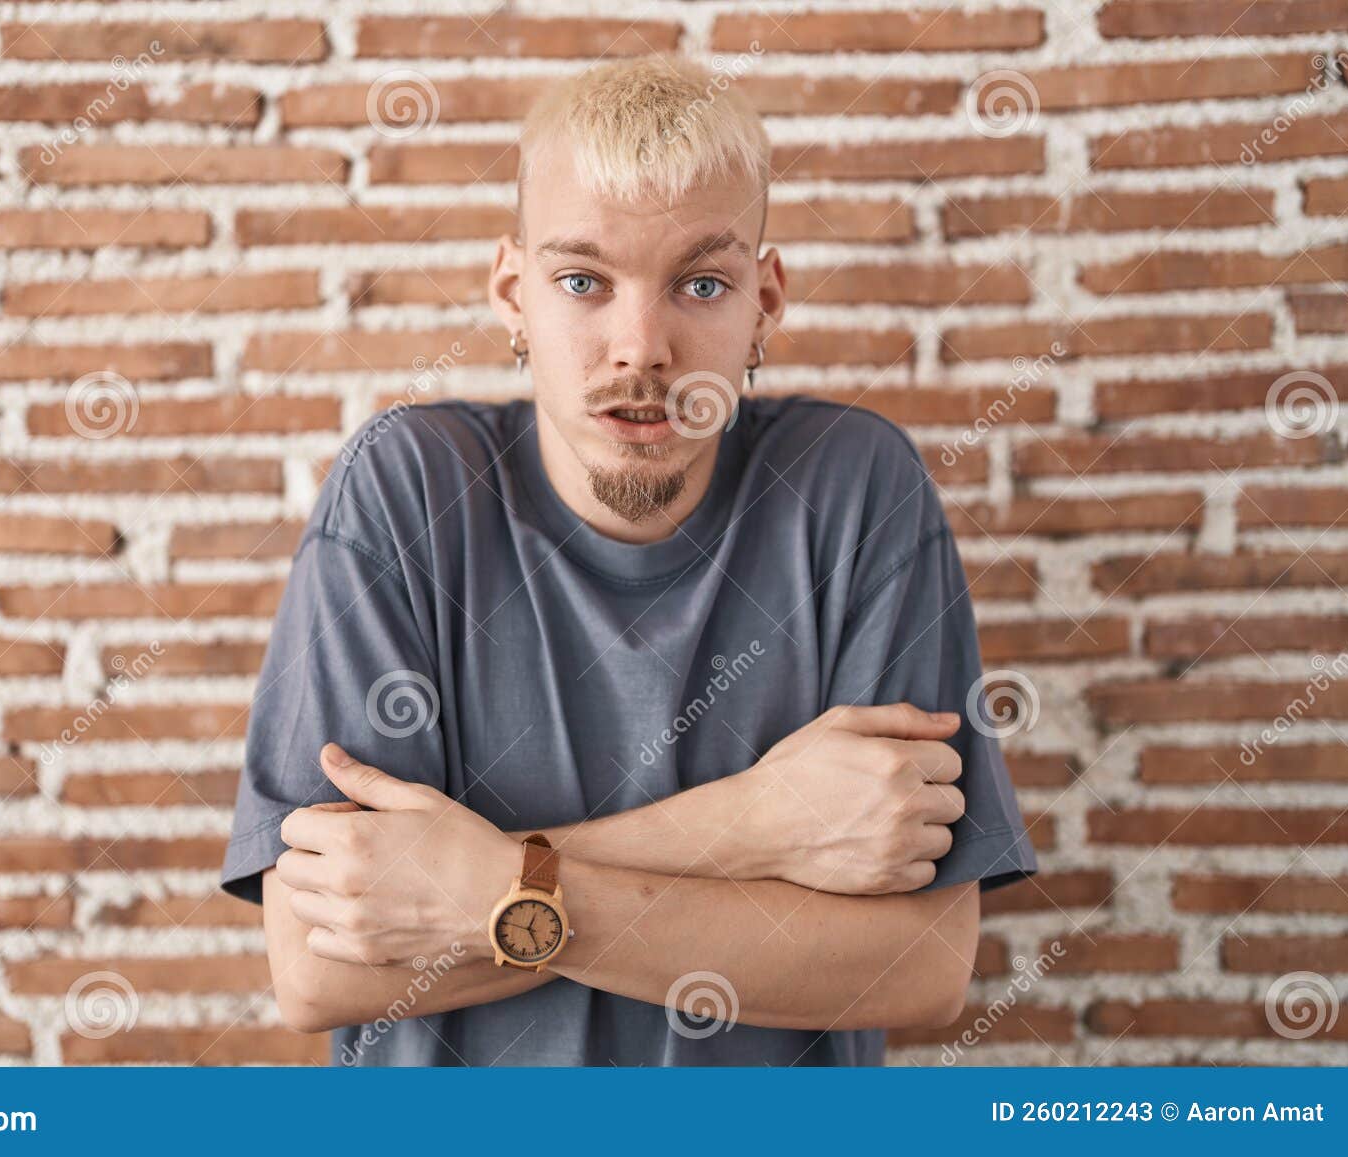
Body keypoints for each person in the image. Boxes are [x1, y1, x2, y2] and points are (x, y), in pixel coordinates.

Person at [220, 54, 1036, 1066]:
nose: (641, 346)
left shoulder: (850, 488)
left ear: (764, 304)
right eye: (581, 281)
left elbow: (918, 964)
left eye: (701, 281)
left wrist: (477, 886)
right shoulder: (408, 489)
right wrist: (751, 824)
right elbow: (319, 969)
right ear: (512, 293)